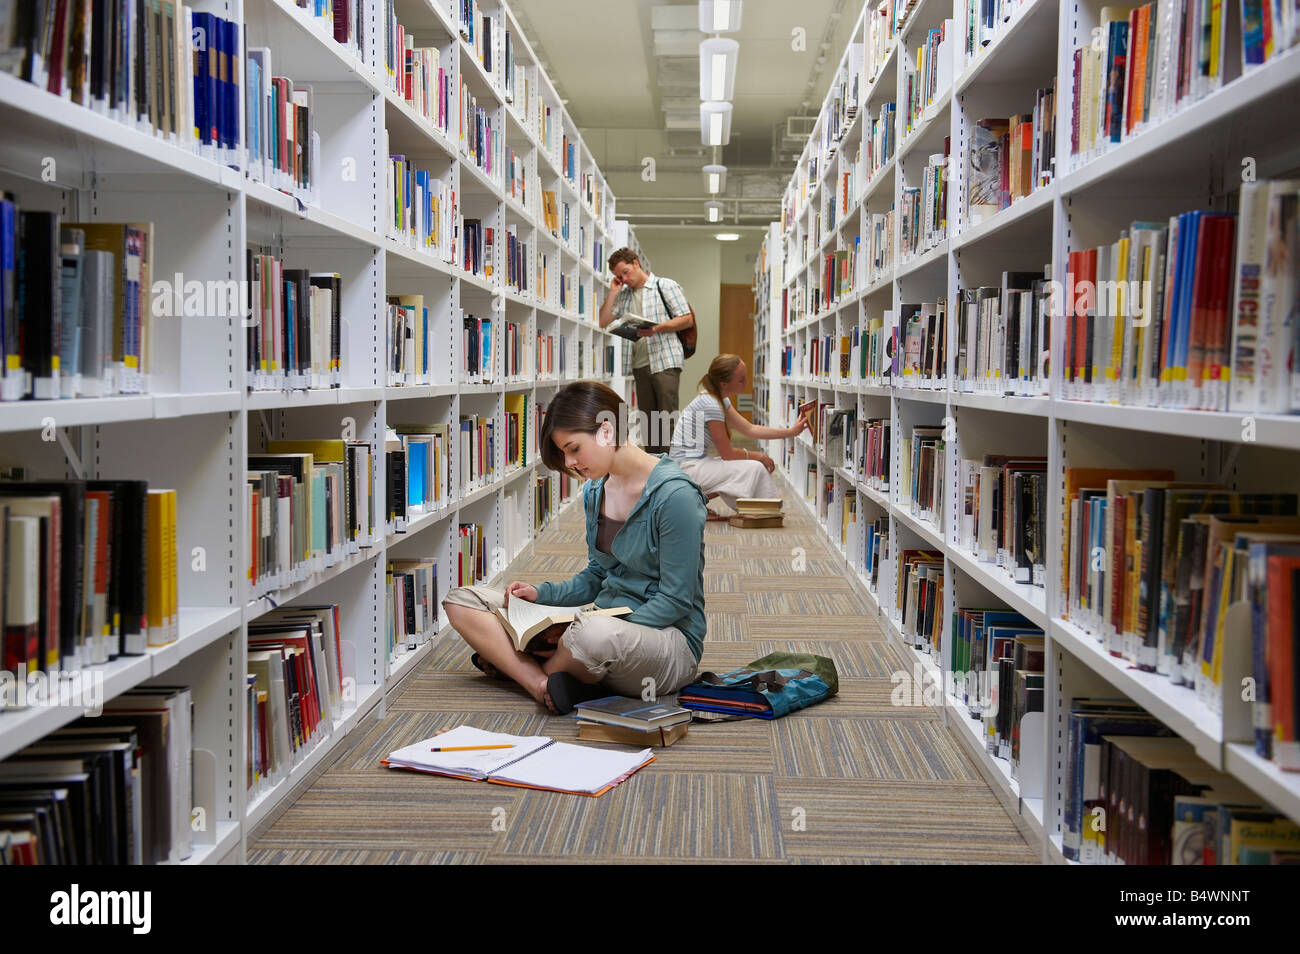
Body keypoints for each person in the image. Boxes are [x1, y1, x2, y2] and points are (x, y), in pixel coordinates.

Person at [441, 381, 708, 714]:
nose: (570, 463)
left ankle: (529, 666)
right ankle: (543, 683)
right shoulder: (596, 489)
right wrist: (541, 595)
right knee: (463, 600)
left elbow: (675, 601)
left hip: (666, 643)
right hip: (598, 630)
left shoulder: (676, 496)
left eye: (574, 448)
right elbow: (596, 576)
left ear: (606, 431)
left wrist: (583, 626)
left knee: (591, 634)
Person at [669, 354, 808, 513]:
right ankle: (766, 511)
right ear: (724, 384)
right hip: (686, 469)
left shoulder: (718, 399)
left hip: (692, 465)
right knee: (753, 468)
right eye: (741, 380)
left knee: (749, 468)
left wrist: (790, 432)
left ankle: (764, 510)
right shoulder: (711, 404)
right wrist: (759, 456)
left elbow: (750, 429)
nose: (747, 383)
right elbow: (727, 453)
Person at [598, 248, 693, 455]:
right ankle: (653, 465)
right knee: (648, 420)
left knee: (666, 417)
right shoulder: (623, 295)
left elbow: (686, 318)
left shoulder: (664, 285)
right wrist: (613, 292)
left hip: (665, 359)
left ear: (636, 263)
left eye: (625, 272)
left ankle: (669, 467)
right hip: (640, 363)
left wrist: (656, 329)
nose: (624, 278)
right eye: (619, 276)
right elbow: (603, 321)